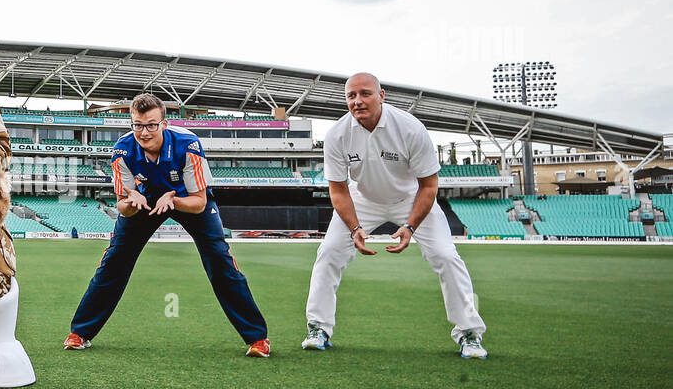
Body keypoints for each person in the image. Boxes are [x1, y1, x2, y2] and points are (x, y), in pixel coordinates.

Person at [64, 93, 270, 357]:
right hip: (146, 204)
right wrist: (132, 199)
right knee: (113, 262)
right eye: (138, 124)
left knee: (220, 262)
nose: (144, 131)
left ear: (164, 124)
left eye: (151, 124)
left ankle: (257, 339)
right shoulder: (122, 150)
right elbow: (122, 207)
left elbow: (198, 202)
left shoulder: (188, 145)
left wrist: (173, 199)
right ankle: (79, 333)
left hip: (184, 199)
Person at [302, 72, 488, 358]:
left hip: (410, 199)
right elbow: (338, 190)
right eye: (351, 96)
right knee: (328, 252)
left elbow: (428, 186)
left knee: (446, 256)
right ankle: (318, 327)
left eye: (365, 93)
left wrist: (410, 226)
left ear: (382, 95)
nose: (358, 101)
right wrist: (354, 229)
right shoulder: (338, 134)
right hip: (362, 200)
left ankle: (469, 333)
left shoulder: (410, 128)